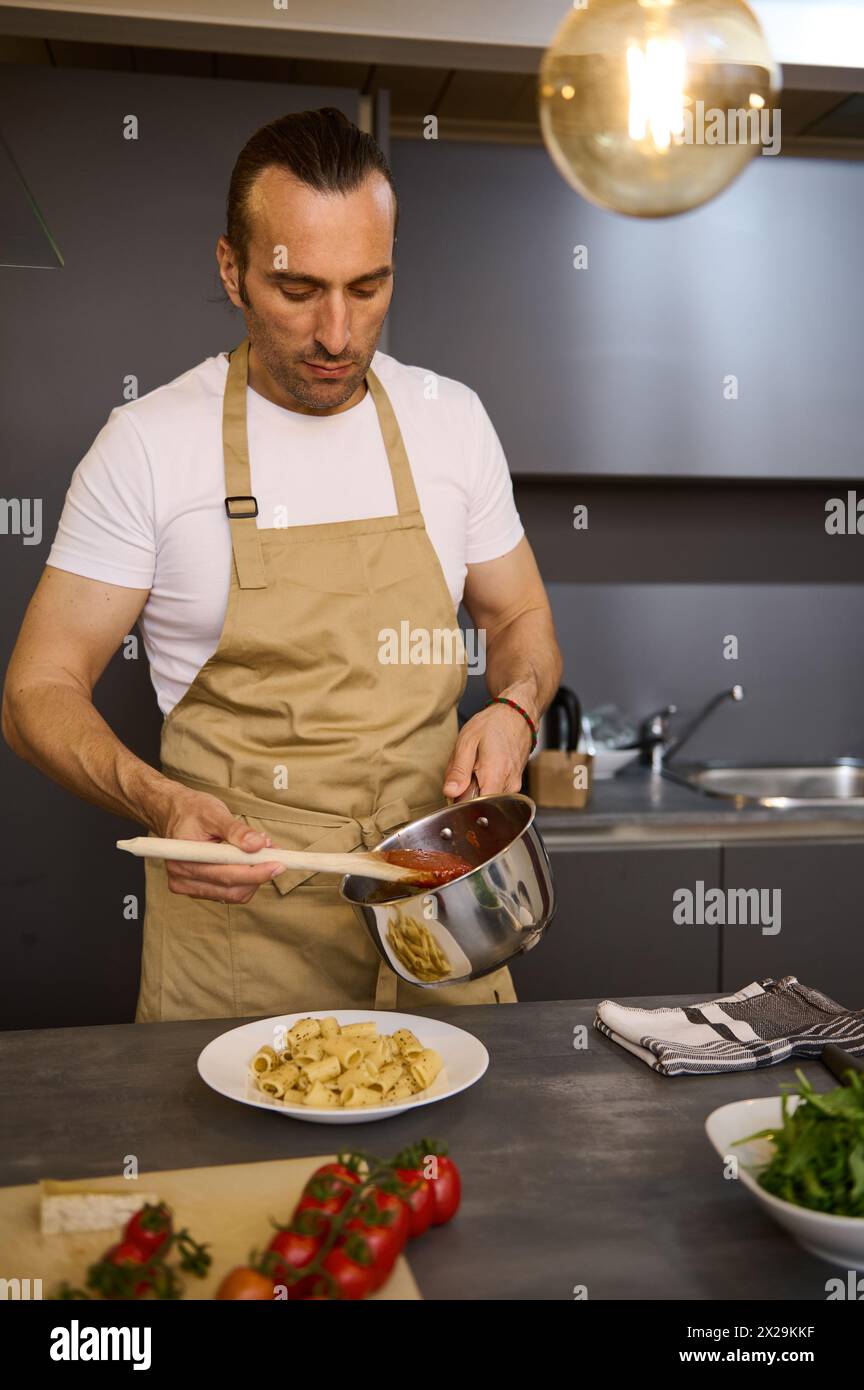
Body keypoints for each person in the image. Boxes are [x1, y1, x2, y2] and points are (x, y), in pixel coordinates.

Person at [3, 108, 562, 1021]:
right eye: (297, 290)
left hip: (444, 925)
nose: (337, 333)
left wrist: (512, 709)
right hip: (241, 956)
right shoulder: (148, 445)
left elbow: (519, 619)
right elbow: (37, 689)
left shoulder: (450, 420)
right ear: (232, 269)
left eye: (367, 287)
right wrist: (159, 801)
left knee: (463, 1167)